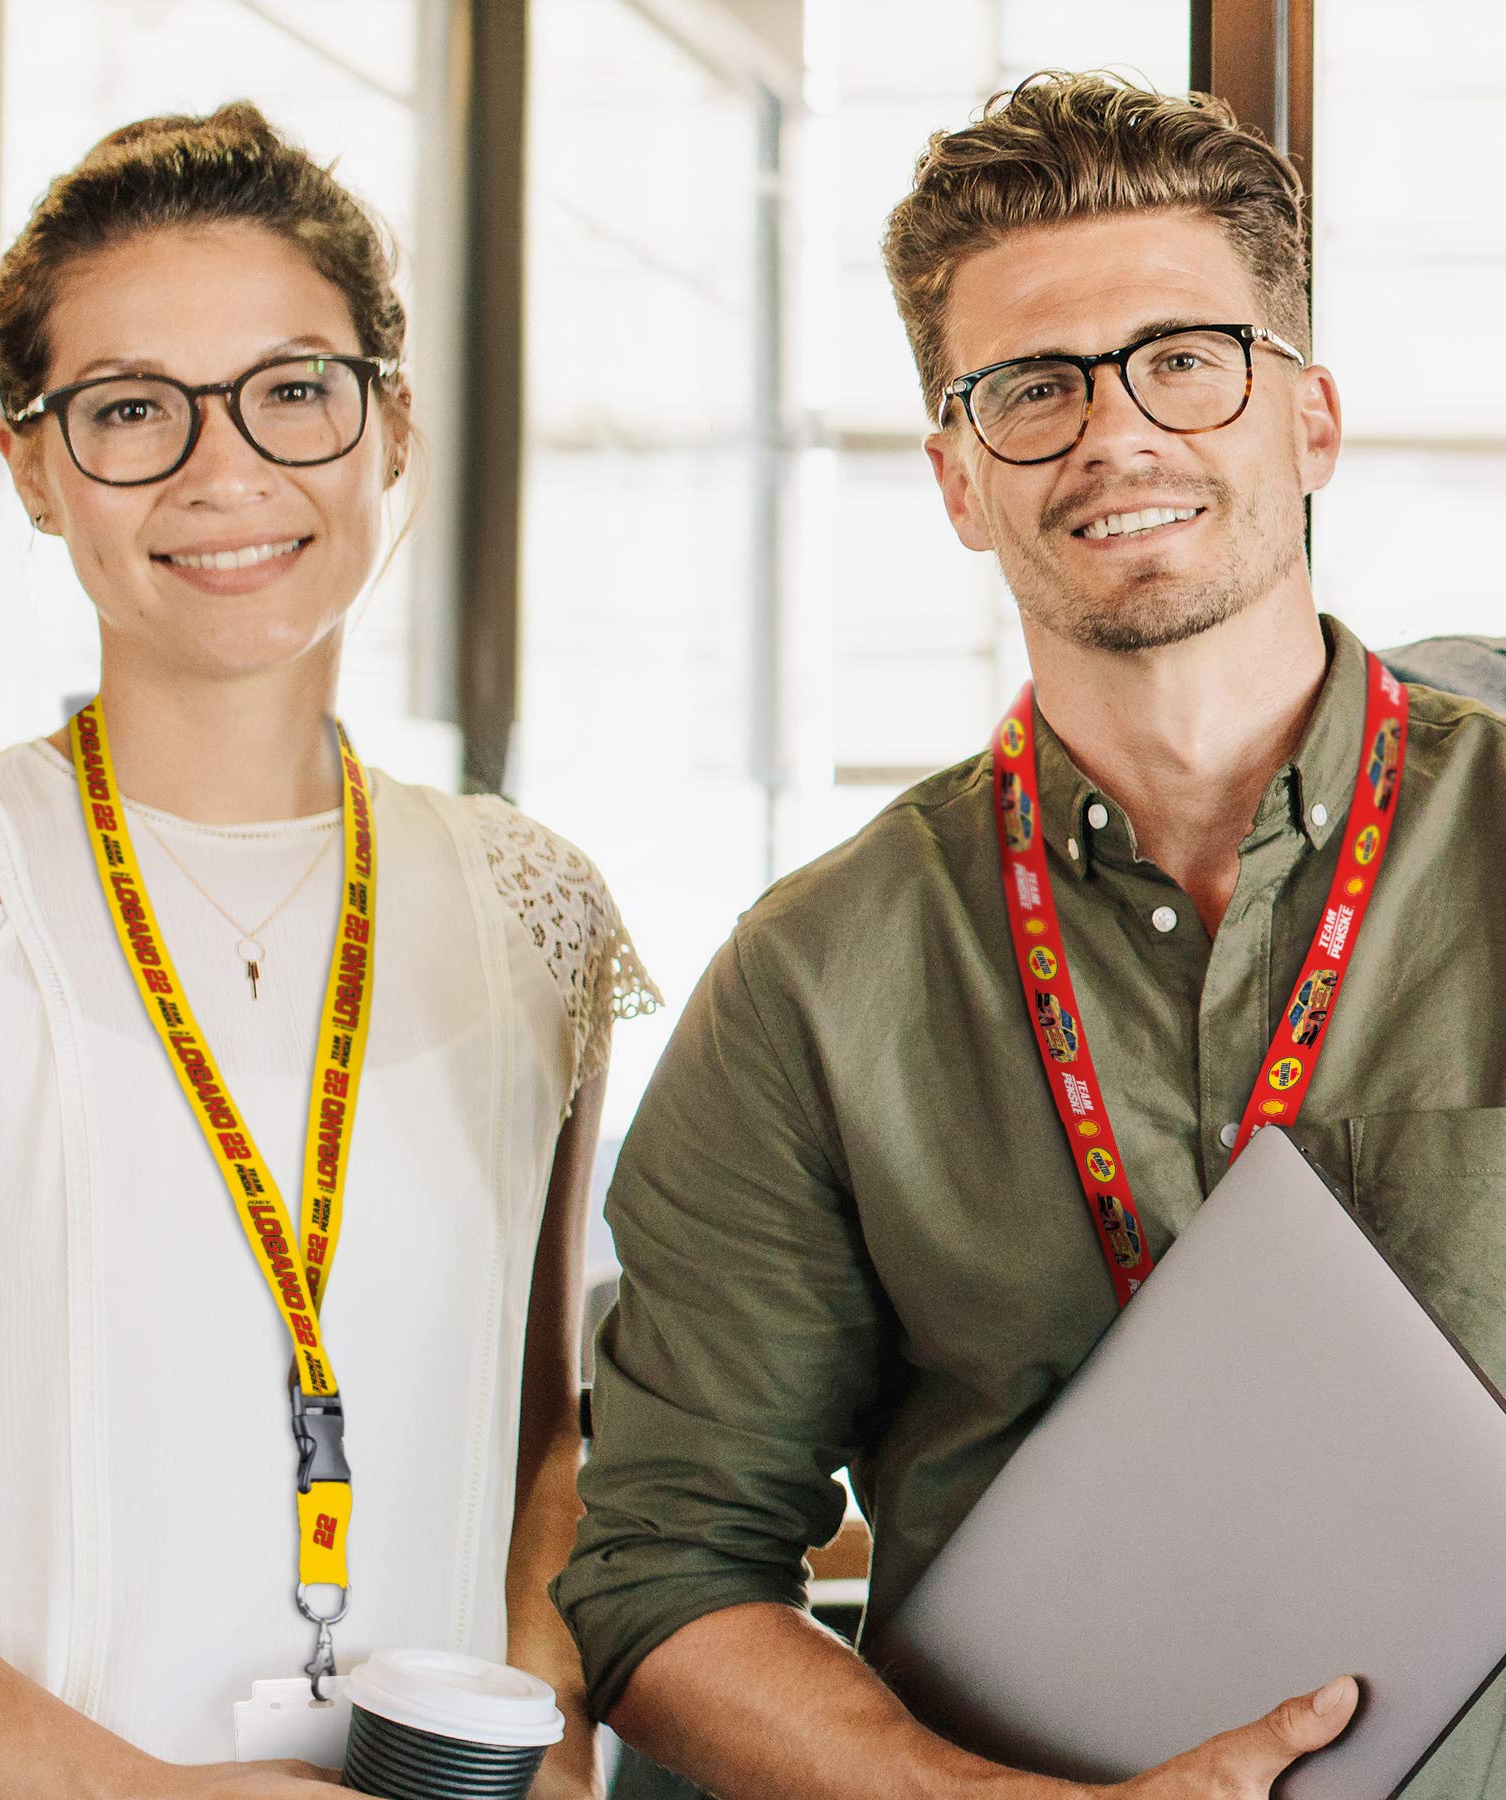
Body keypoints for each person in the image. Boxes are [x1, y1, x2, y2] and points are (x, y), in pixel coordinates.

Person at [554, 71, 1506, 1800]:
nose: (1115, 434)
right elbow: (665, 1575)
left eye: (1185, 358)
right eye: (1031, 389)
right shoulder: (809, 984)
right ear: (953, 476)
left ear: (1312, 420)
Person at [0, 103, 656, 1800]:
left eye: (293, 391)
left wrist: (546, 1728)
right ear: (33, 464)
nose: (225, 473)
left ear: (389, 430)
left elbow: (535, 1439)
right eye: (132, 410)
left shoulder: (533, 905)